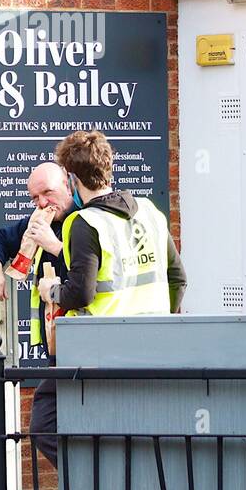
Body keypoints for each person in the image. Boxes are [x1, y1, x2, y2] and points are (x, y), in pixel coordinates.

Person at [37, 130, 186, 374]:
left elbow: (80, 294)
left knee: (46, 406)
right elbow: (178, 280)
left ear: (72, 178)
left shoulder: (85, 222)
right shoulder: (149, 211)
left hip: (98, 352)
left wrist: (50, 291)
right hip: (154, 349)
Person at [0, 163, 73, 466]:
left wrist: (54, 246)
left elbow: (92, 277)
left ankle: (87, 483)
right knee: (47, 427)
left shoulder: (86, 221)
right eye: (35, 198)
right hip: (59, 346)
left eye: (48, 192)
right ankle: (85, 483)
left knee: (49, 425)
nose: (42, 203)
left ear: (68, 184)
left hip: (88, 343)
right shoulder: (37, 222)